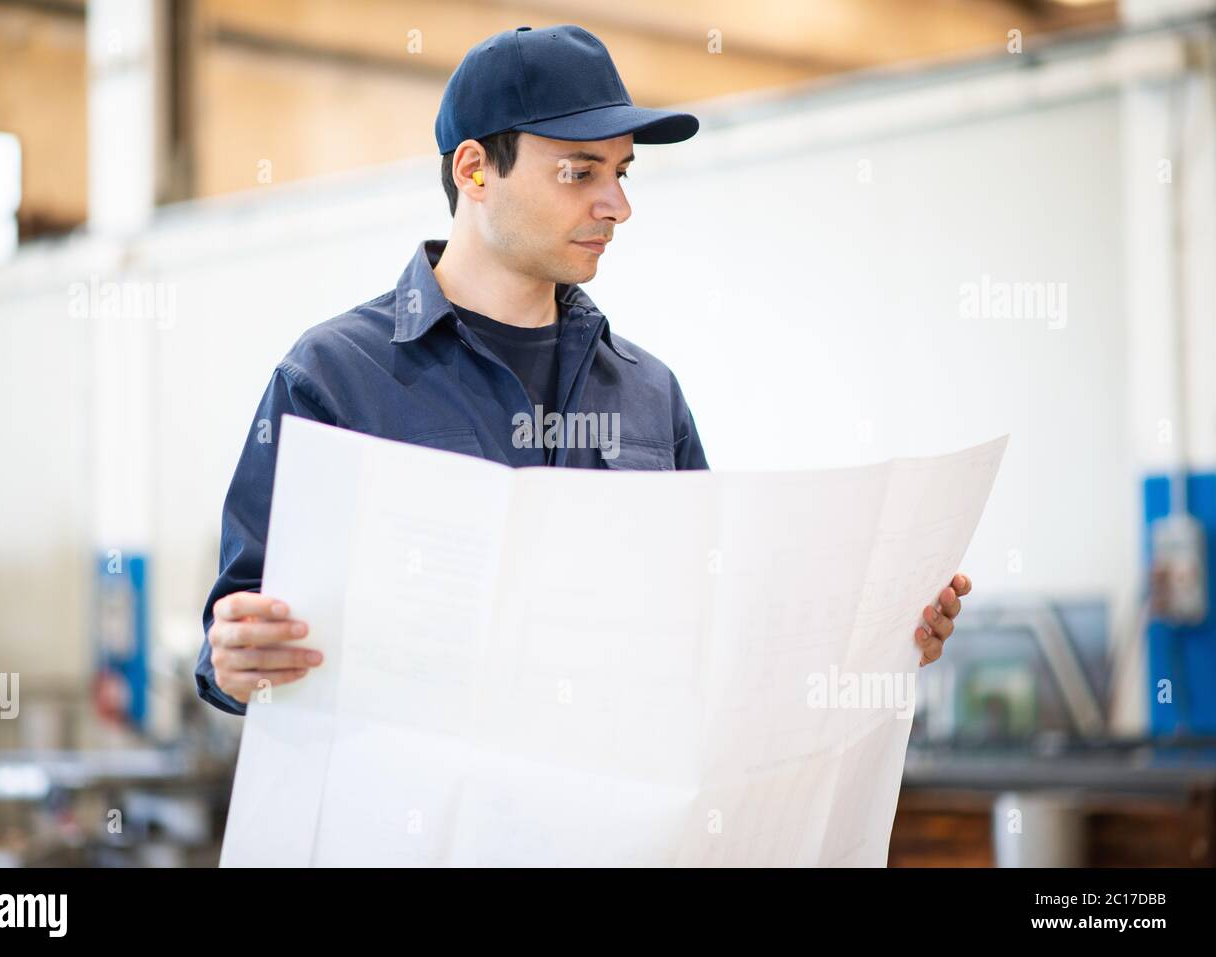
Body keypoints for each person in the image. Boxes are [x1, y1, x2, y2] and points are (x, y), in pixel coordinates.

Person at [196, 24, 969, 716]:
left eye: (623, 173)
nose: (617, 205)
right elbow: (240, 623)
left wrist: (877, 634)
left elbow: (712, 626)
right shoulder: (334, 378)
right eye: (580, 172)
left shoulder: (647, 394)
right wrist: (235, 661)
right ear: (473, 170)